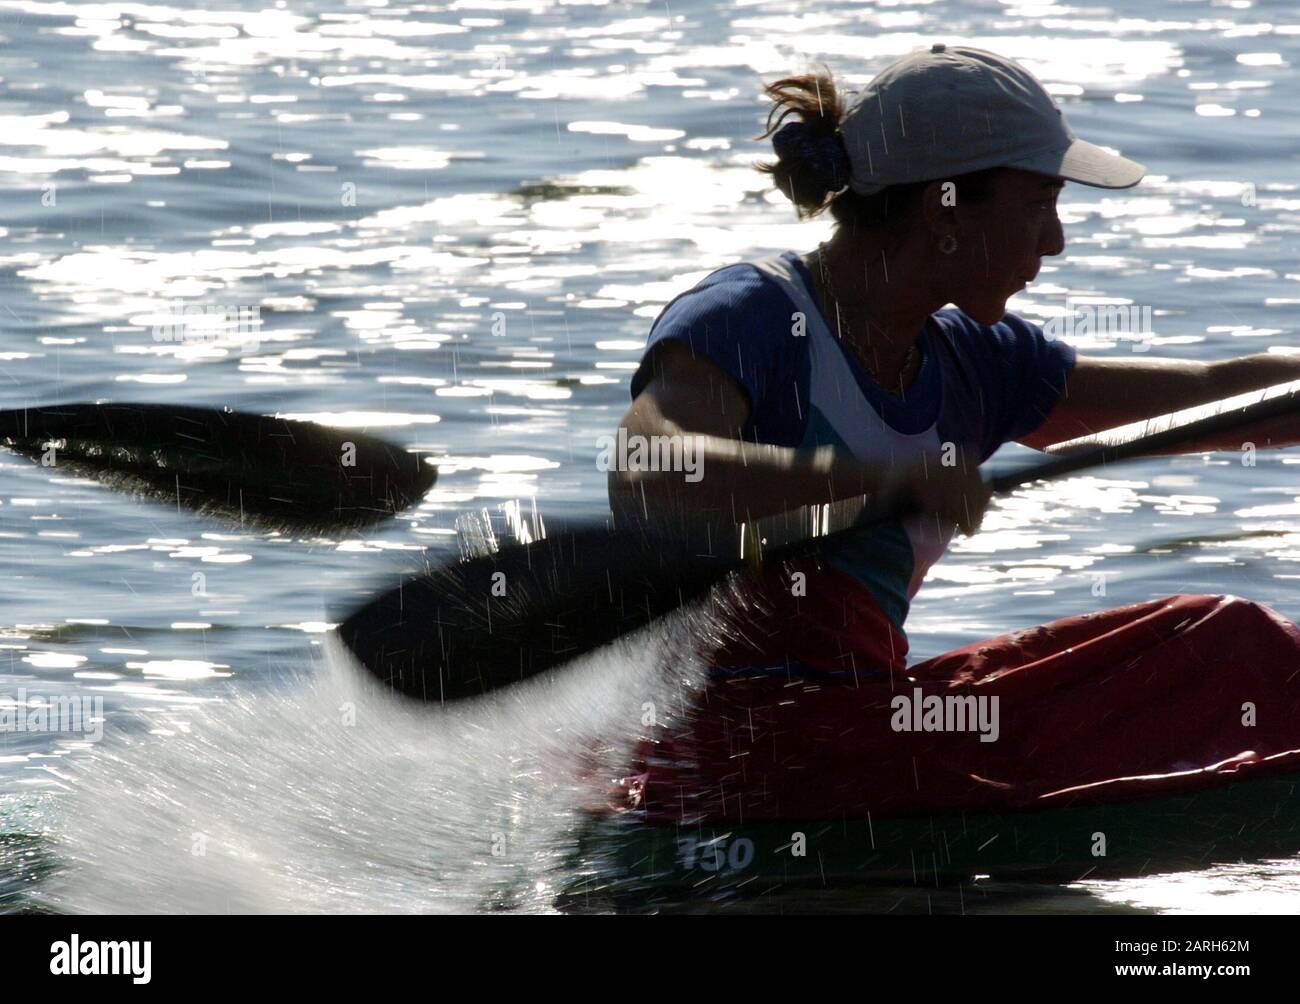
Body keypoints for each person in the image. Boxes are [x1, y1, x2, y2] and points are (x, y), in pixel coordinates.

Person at [601, 45, 1300, 829]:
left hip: (864, 734)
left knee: (1238, 645)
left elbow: (1217, 396)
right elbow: (646, 466)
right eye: (1040, 203)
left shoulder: (974, 363)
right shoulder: (755, 316)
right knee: (1231, 642)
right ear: (945, 207)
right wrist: (884, 481)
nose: (1057, 241)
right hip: (734, 760)